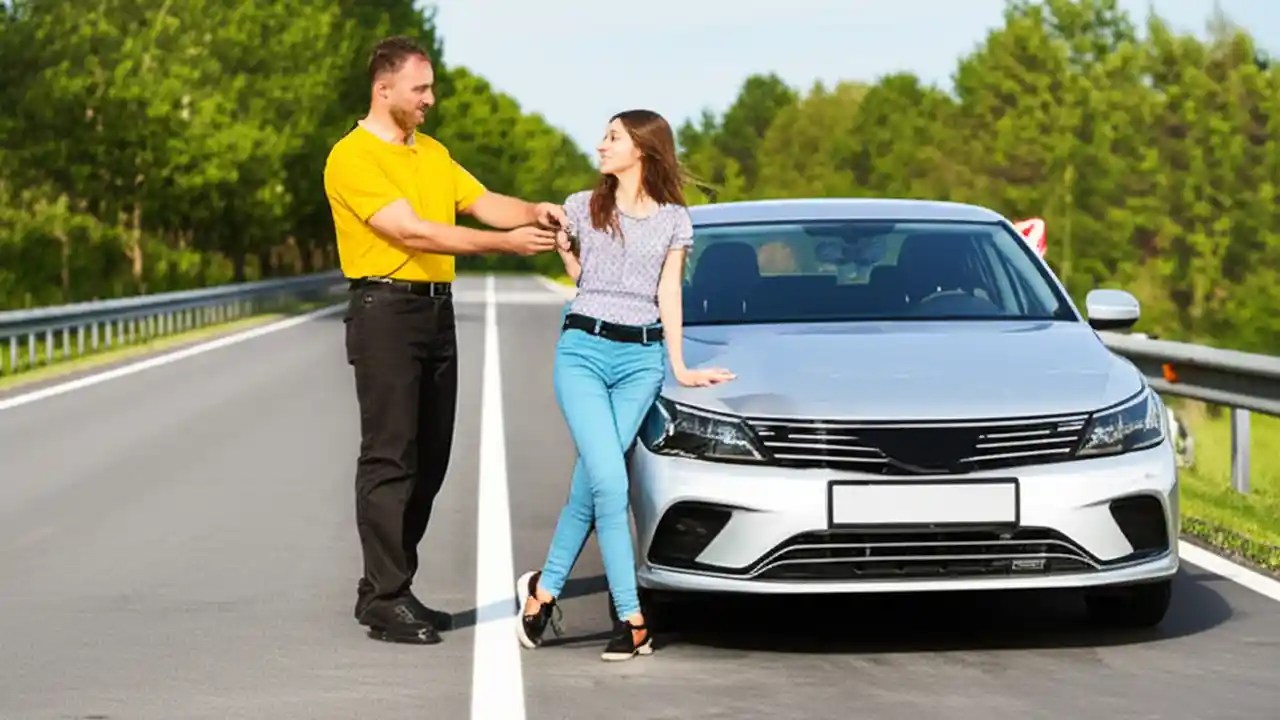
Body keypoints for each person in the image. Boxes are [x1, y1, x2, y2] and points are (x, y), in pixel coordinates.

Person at [322, 35, 564, 646]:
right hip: (385, 312)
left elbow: (483, 203)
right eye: (420, 88)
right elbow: (414, 233)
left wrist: (532, 211)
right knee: (390, 457)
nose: (431, 98)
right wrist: (505, 247)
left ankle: (382, 584)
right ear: (385, 90)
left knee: (431, 459)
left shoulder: (431, 152)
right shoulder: (352, 157)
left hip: (436, 313)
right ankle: (386, 597)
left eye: (431, 87)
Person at [513, 109, 735, 661]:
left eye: (612, 137)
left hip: (641, 362)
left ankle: (543, 595)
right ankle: (632, 617)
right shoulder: (582, 206)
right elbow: (583, 278)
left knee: (593, 482)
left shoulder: (673, 221)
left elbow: (668, 295)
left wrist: (678, 366)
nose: (601, 145)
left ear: (642, 148)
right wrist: (565, 247)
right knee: (611, 482)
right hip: (584, 352)